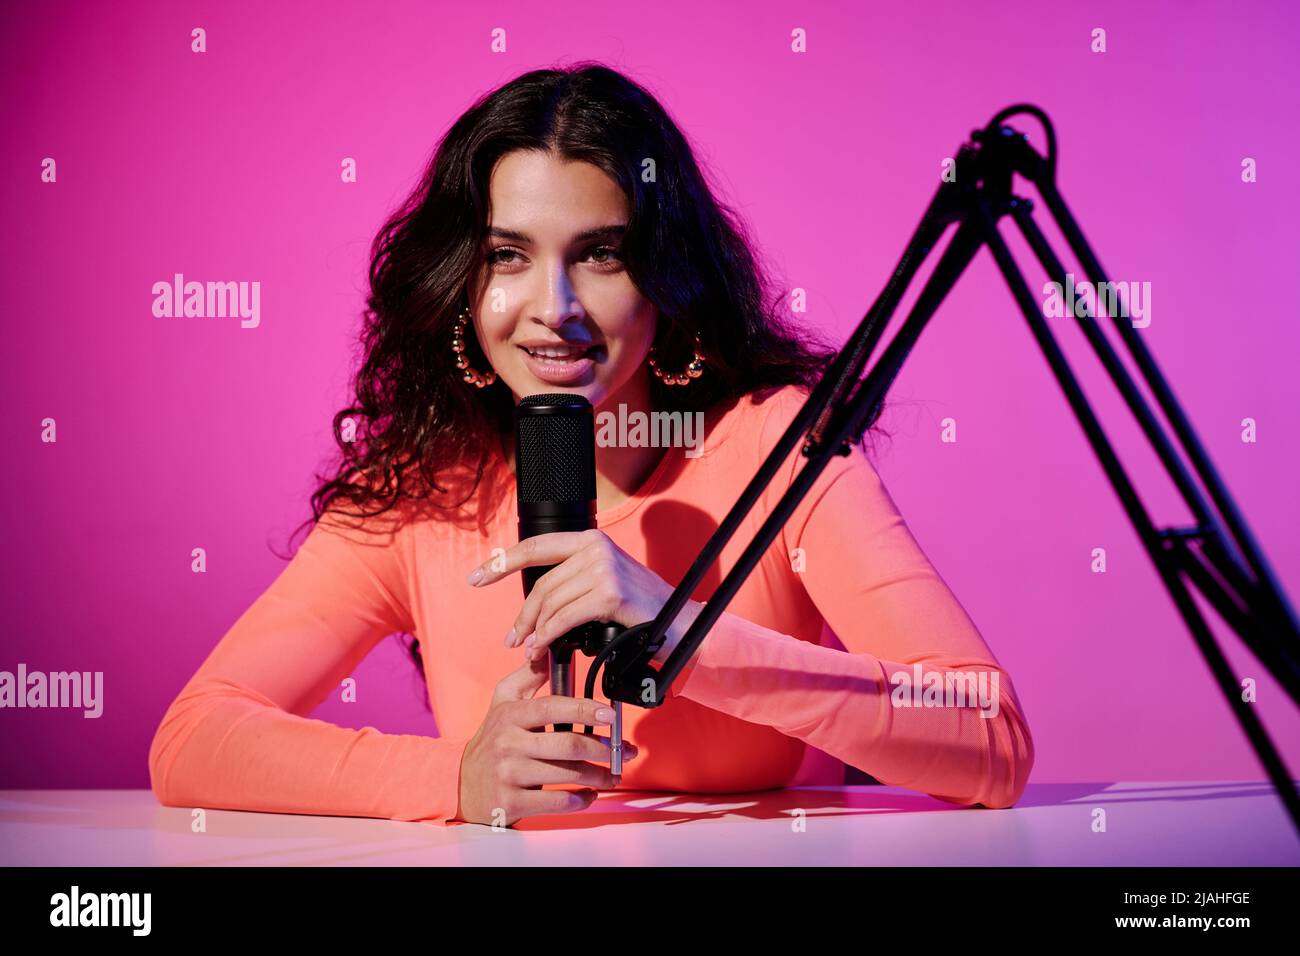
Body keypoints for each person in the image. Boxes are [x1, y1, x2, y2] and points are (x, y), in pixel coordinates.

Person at [148, 62, 1034, 828]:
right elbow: (194, 739)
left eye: (601, 254)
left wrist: (680, 636)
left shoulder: (779, 450)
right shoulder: (422, 493)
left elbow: (990, 736)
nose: (555, 305)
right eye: (508, 254)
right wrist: (455, 779)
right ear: (462, 280)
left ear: (665, 276)